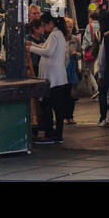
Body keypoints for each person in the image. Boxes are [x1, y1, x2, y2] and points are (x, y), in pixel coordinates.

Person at [29, 13, 69, 144]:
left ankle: (52, 134)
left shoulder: (55, 35)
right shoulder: (57, 35)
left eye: (45, 25)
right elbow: (46, 48)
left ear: (50, 24)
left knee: (49, 105)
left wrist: (31, 48)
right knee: (56, 106)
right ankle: (56, 133)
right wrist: (35, 45)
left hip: (54, 78)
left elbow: (48, 52)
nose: (44, 28)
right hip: (56, 77)